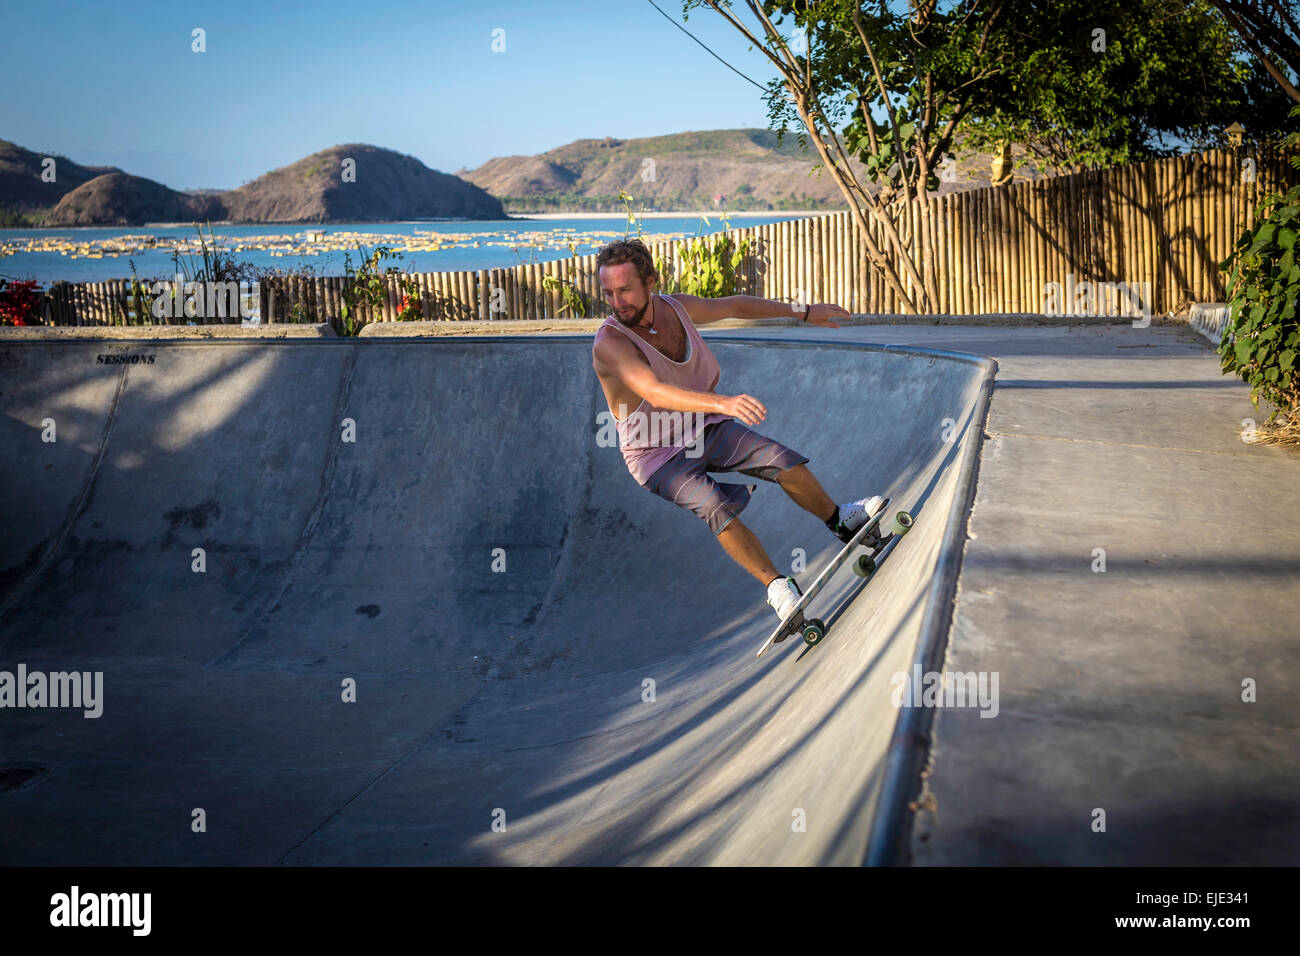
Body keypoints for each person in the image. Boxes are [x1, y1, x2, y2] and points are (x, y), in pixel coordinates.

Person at [590, 238, 884, 627]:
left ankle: (840, 521)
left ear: (650, 282)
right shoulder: (610, 342)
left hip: (703, 428)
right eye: (609, 293)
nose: (618, 301)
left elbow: (734, 305)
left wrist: (803, 311)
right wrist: (722, 403)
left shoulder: (677, 308)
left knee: (781, 461)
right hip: (656, 457)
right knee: (713, 505)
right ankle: (778, 587)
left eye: (625, 289)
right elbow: (653, 391)